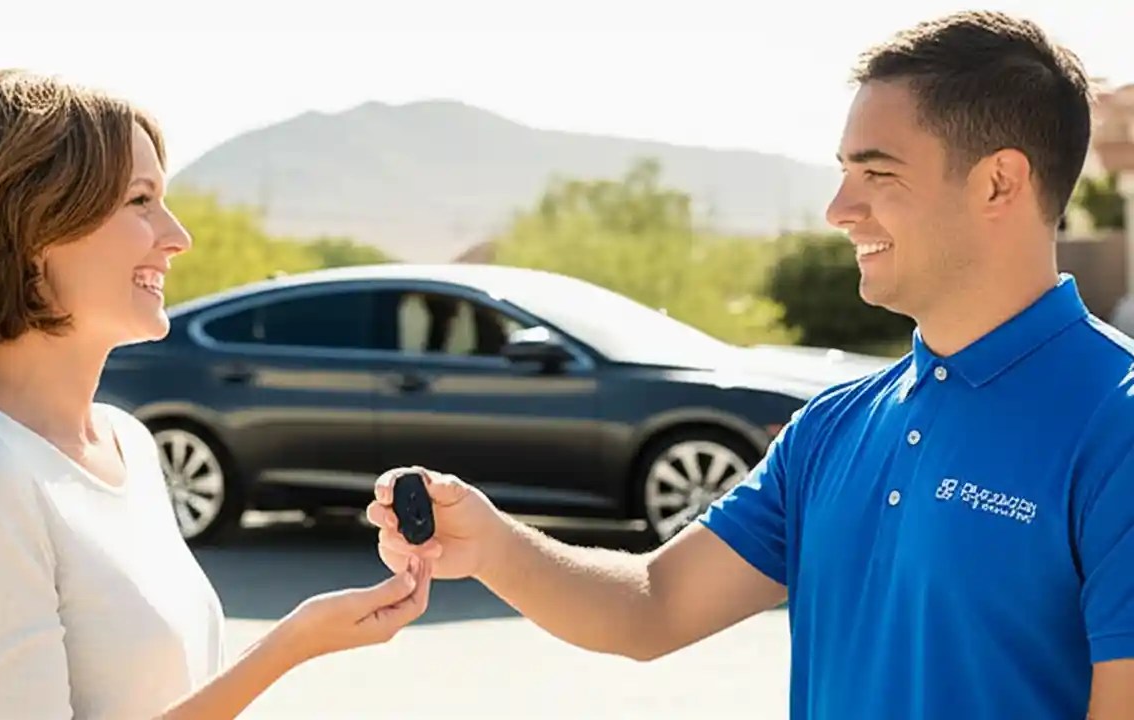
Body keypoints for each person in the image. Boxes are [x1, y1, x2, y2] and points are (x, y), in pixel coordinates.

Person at [368, 11, 1134, 720]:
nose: (838, 208)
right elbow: (652, 604)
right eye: (843, 171)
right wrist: (492, 543)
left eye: (878, 173)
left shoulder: (1118, 424)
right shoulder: (834, 428)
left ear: (999, 181)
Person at [0, 69, 433, 720]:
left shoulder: (132, 445)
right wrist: (291, 646)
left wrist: (303, 638)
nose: (176, 236)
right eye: (140, 201)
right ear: (35, 230)